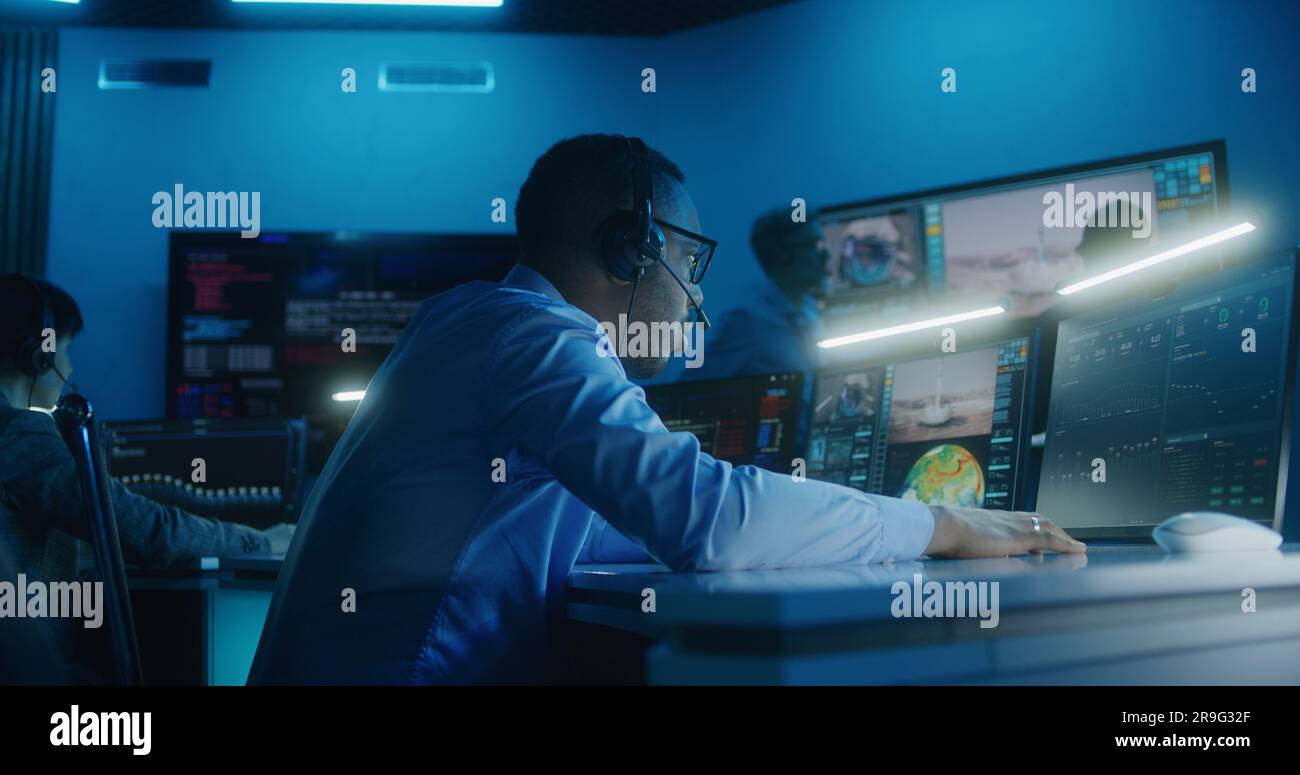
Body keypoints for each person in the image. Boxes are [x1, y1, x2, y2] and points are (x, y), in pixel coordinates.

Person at [249, 134, 1084, 686]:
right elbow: (712, 522)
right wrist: (939, 525)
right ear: (629, 247)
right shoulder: (535, 340)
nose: (697, 295)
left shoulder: (462, 319)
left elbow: (632, 522)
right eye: (689, 259)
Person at [0, 274, 294, 670]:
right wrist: (262, 542)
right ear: (39, 357)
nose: (70, 366)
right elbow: (152, 531)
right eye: (68, 350)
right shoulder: (19, 433)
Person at [678, 208, 827, 382]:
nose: (826, 254)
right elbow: (689, 387)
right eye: (812, 246)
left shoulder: (811, 311)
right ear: (783, 255)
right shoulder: (746, 321)